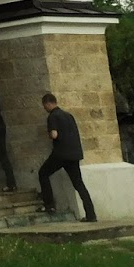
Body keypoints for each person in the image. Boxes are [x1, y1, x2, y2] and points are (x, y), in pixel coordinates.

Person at [37, 92, 98, 222]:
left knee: (43, 173)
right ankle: (91, 214)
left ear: (48, 103)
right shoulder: (68, 116)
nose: (44, 108)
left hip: (61, 153)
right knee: (78, 184)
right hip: (74, 154)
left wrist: (49, 134)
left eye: (44, 105)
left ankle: (49, 205)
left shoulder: (53, 116)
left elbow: (54, 135)